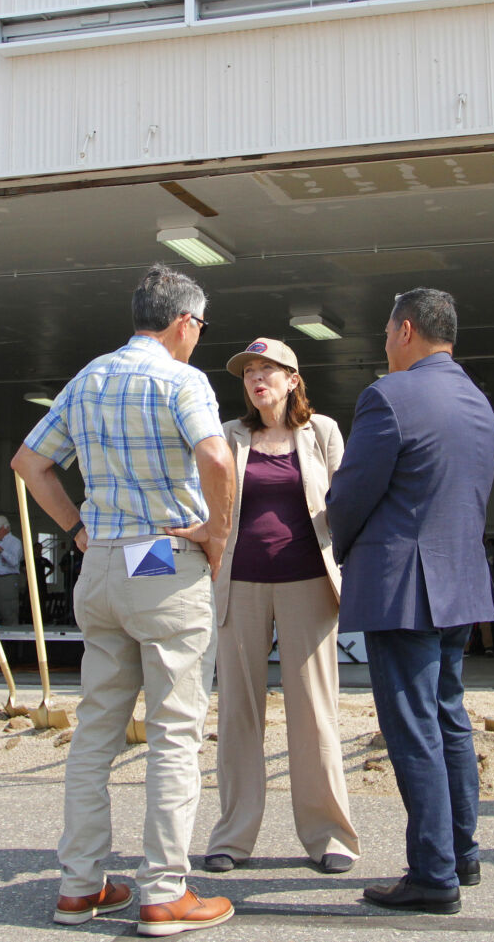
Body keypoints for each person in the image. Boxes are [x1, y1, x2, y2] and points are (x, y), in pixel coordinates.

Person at [11, 264, 236, 936]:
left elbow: (28, 463)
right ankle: (164, 890)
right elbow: (218, 460)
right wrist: (217, 531)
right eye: (199, 326)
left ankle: (79, 884)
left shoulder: (88, 377)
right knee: (174, 730)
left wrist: (77, 529)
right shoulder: (180, 378)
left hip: (103, 559)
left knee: (95, 731)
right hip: (163, 557)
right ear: (185, 322)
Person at [328, 288, 494, 916]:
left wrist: (342, 546)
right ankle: (462, 852)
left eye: (383, 331)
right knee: (449, 715)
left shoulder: (389, 396)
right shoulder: (478, 402)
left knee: (413, 727)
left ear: (405, 331)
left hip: (403, 585)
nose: (382, 342)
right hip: (457, 582)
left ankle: (432, 873)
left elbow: (352, 493)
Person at [202, 337, 358, 876]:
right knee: (238, 713)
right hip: (239, 583)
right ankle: (233, 837)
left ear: (293, 380)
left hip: (309, 582)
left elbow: (347, 502)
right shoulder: (229, 435)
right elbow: (208, 503)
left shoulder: (323, 433)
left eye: (268, 370)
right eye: (249, 372)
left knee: (314, 713)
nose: (255, 378)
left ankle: (329, 836)